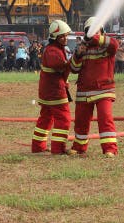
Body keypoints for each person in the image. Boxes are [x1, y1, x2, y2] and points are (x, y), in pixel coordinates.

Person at [69, 17, 119, 157]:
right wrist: (78, 54)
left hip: (103, 90)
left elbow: (114, 46)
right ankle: (79, 147)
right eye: (89, 30)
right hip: (84, 92)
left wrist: (99, 39)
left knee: (105, 118)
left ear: (102, 31)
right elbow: (73, 68)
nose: (93, 33)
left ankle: (110, 149)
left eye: (96, 30)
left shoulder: (107, 45)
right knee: (81, 121)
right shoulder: (82, 47)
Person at [32, 20, 76, 155]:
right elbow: (60, 65)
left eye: (66, 35)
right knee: (63, 119)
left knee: (46, 118)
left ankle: (38, 147)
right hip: (54, 91)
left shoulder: (57, 49)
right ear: (54, 38)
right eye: (62, 36)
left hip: (49, 89)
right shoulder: (52, 51)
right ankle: (58, 148)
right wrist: (76, 58)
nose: (65, 38)